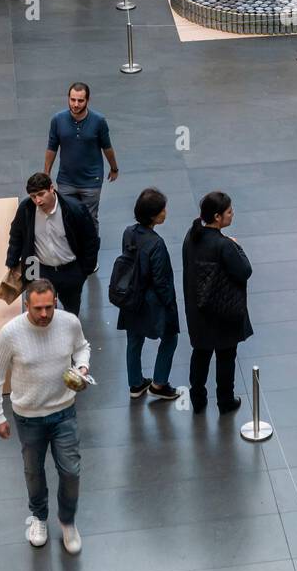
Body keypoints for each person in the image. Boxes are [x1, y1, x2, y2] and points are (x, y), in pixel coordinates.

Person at [0, 279, 90, 554]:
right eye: (37, 309)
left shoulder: (69, 323)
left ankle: (67, 521)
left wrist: (81, 366)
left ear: (55, 302)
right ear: (26, 305)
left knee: (71, 471)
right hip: (28, 417)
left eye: (49, 307)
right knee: (33, 472)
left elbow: (82, 346)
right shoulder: (11, 333)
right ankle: (39, 517)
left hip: (64, 411)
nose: (44, 314)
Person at [182, 191, 252, 415]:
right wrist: (236, 246)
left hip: (198, 310)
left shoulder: (191, 236)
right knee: (225, 356)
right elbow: (244, 271)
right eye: (229, 212)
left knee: (200, 354)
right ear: (217, 217)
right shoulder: (224, 246)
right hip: (224, 312)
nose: (232, 215)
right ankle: (225, 400)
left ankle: (198, 400)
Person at [117, 188, 180, 402]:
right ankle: (159, 384)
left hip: (130, 298)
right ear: (153, 216)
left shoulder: (129, 232)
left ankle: (135, 383)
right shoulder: (157, 244)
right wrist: (170, 305)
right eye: (162, 209)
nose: (165, 212)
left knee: (134, 340)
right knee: (170, 338)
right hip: (151, 303)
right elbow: (161, 281)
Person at [6, 174, 99, 316]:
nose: (37, 200)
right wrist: (12, 262)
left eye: (41, 194)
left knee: (71, 311)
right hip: (39, 269)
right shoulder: (26, 208)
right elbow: (16, 235)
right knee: (42, 312)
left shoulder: (75, 209)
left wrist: (84, 270)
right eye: (33, 196)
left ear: (51, 189)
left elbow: (90, 240)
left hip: (71, 270)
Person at [44, 83, 118, 231]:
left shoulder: (99, 121)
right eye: (72, 100)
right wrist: (46, 174)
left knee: (90, 219)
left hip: (91, 181)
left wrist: (114, 168)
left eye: (80, 100)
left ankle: (91, 251)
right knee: (67, 218)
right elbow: (52, 148)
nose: (75, 104)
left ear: (88, 100)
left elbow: (107, 147)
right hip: (66, 180)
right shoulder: (57, 120)